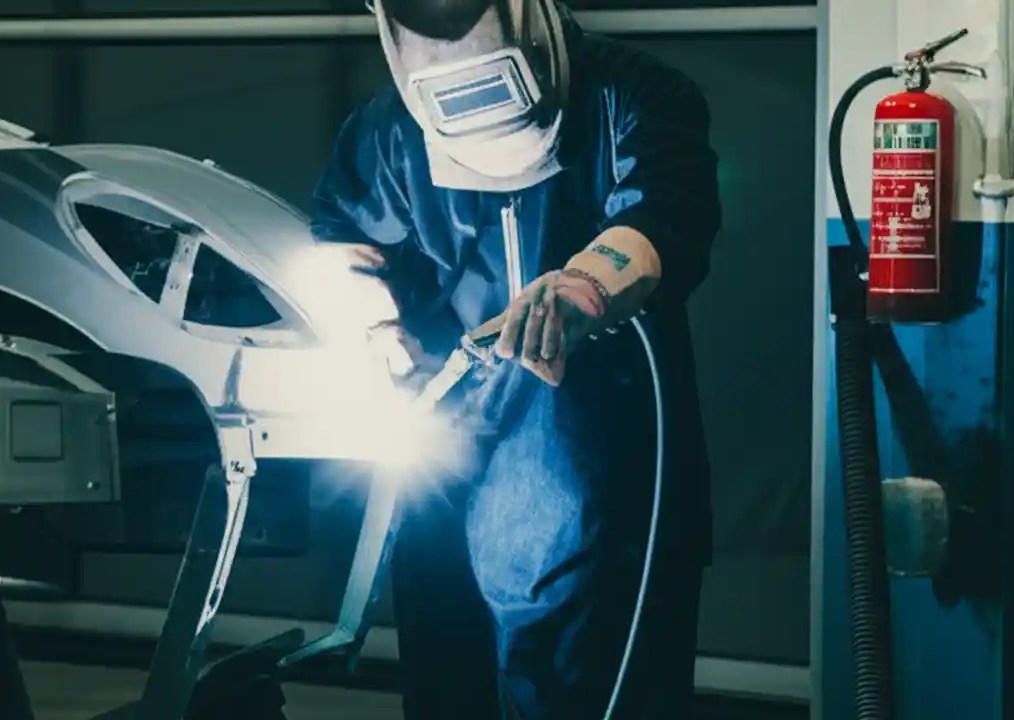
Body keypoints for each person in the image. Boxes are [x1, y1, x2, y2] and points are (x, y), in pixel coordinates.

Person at [307, 1, 721, 716]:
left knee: (594, 692)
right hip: (446, 471)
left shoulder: (633, 98)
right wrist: (369, 325)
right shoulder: (388, 132)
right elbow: (345, 240)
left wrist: (587, 284)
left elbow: (662, 216)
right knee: (449, 689)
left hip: (605, 478)